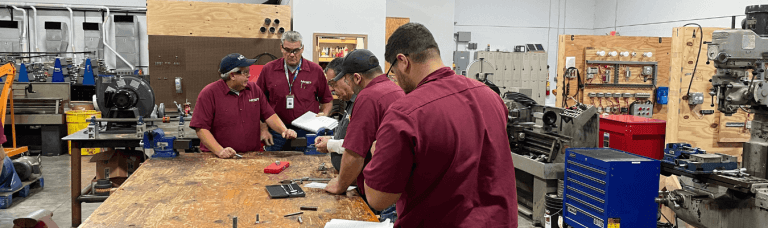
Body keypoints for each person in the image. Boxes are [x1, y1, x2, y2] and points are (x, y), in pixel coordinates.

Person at [363, 23, 518, 227]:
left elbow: (378, 198)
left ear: (403, 61)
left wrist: (378, 154)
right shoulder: (491, 97)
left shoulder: (405, 112)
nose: (395, 79)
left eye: (393, 71)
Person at [321, 49, 405, 199]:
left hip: (378, 188)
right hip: (395, 185)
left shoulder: (368, 96)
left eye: (348, 81)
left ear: (357, 78)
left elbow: (355, 152)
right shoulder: (395, 88)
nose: (350, 86)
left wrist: (340, 185)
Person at [190, 53, 297, 158]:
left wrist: (284, 130)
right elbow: (201, 129)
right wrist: (219, 151)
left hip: (250, 156)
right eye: (245, 72)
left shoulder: (254, 89)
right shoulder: (209, 93)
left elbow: (269, 115)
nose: (249, 75)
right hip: (217, 158)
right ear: (232, 75)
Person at [257, 31, 334, 151]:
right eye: (287, 50)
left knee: (307, 162)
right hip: (276, 132)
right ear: (281, 48)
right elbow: (259, 103)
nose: (292, 54)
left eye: (296, 50)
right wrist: (263, 129)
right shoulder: (268, 69)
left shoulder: (316, 71)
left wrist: (324, 115)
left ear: (302, 48)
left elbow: (327, 100)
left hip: (306, 131)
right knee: (273, 161)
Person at [317, 58, 355, 171]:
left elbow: (357, 146)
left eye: (333, 83)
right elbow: (349, 138)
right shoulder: (349, 102)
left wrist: (330, 144)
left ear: (347, 78)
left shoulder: (361, 104)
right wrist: (331, 138)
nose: (330, 89)